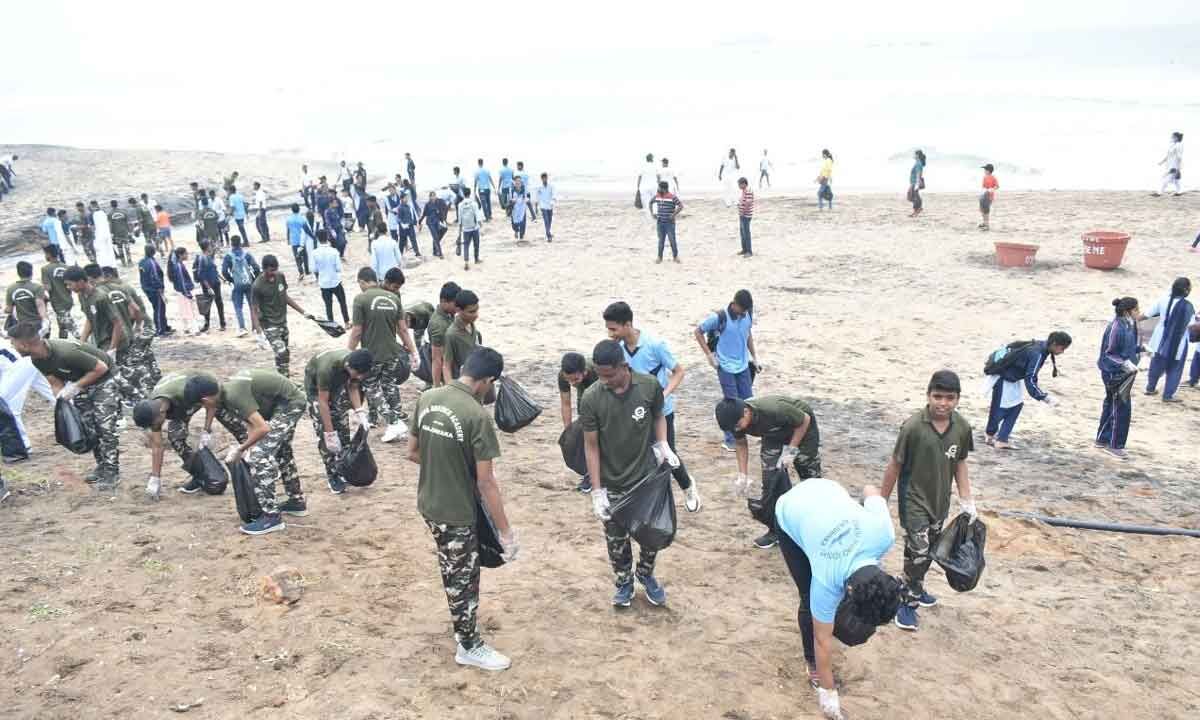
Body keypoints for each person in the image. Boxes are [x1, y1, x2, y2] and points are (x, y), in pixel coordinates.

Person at [407, 346, 517, 671]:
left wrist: (445, 466)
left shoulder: (428, 397)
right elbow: (486, 483)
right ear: (487, 381)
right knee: (463, 576)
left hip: (429, 500)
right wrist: (505, 532)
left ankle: (463, 628)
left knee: (453, 567)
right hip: (455, 510)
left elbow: (413, 452)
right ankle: (469, 644)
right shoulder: (476, 415)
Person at [775, 479, 904, 720]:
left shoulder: (883, 534)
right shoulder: (825, 581)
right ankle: (811, 664)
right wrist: (828, 692)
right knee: (807, 599)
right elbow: (822, 638)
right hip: (791, 510)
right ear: (850, 592)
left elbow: (869, 490)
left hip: (827, 490)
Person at [580, 339, 679, 607]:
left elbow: (658, 415)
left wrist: (662, 444)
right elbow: (590, 446)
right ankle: (623, 582)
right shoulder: (591, 398)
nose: (605, 380)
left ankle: (645, 574)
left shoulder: (648, 386)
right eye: (600, 375)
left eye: (609, 375)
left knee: (652, 532)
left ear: (624, 366)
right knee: (616, 539)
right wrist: (597, 490)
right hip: (612, 480)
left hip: (645, 477)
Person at [880, 370, 976, 631]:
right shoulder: (913, 427)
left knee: (930, 549)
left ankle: (915, 586)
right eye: (937, 396)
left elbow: (960, 463)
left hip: (940, 502)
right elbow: (894, 465)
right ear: (928, 395)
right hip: (914, 502)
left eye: (949, 398)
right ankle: (907, 603)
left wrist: (967, 498)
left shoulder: (962, 427)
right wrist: (881, 502)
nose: (942, 403)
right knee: (919, 552)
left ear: (957, 399)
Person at [603, 301, 700, 511]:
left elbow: (679, 372)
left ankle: (687, 485)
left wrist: (663, 395)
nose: (610, 334)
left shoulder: (655, 345)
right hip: (634, 411)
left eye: (613, 329)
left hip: (661, 412)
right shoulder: (617, 349)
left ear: (627, 324)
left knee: (667, 455)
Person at [186, 370, 307, 535]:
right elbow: (251, 423)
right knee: (280, 451)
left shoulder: (233, 395)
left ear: (206, 400)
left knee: (259, 456)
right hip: (279, 404)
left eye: (201, 405)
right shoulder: (225, 394)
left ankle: (272, 518)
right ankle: (296, 501)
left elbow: (263, 428)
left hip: (290, 402)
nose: (204, 408)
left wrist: (241, 449)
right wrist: (248, 447)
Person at [11, 323, 120, 488]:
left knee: (105, 426)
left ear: (24, 344)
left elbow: (101, 368)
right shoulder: (37, 359)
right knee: (89, 427)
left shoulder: (65, 352)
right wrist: (61, 398)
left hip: (104, 379)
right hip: (82, 381)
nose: (13, 346)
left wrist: (76, 387)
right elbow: (54, 382)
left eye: (14, 343)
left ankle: (112, 473)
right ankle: (102, 466)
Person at [715, 394, 822, 548]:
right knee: (771, 480)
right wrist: (742, 474)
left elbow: (804, 420)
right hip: (773, 433)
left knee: (809, 475)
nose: (736, 430)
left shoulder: (774, 409)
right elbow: (740, 444)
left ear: (746, 412)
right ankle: (777, 530)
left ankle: (818, 526)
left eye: (738, 426)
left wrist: (791, 451)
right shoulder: (735, 420)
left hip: (801, 428)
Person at [131, 370, 247, 499]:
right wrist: (155, 478)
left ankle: (256, 463)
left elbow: (211, 403)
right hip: (181, 407)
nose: (154, 428)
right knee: (176, 437)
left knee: (234, 424)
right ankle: (200, 475)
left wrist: (206, 430)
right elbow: (157, 446)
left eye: (154, 425)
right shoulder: (153, 411)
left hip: (209, 389)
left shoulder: (183, 393)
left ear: (162, 413)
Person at [350, 267, 419, 442]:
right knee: (389, 386)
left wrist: (348, 353)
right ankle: (396, 423)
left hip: (371, 355)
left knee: (372, 388)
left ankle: (394, 422)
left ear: (362, 282)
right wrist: (413, 351)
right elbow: (403, 329)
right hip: (392, 353)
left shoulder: (360, 299)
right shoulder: (394, 298)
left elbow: (357, 331)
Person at [983, 332, 1072, 449]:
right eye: (1063, 348)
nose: (1062, 351)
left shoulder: (1039, 346)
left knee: (1013, 406)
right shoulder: (1038, 354)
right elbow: (1030, 379)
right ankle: (995, 437)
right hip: (1003, 378)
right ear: (1054, 344)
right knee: (1004, 408)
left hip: (1007, 376)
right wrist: (1044, 397)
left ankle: (996, 436)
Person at [695, 290, 758, 450]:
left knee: (748, 400)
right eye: (742, 310)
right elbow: (698, 332)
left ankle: (748, 431)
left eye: (746, 311)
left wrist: (755, 357)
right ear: (734, 304)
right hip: (725, 366)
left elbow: (748, 334)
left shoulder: (747, 315)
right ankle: (730, 440)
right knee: (732, 403)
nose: (744, 314)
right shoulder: (719, 317)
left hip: (743, 365)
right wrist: (709, 356)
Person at [304, 348, 373, 494]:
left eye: (362, 375)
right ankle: (333, 475)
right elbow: (323, 402)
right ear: (349, 367)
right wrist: (329, 433)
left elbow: (353, 386)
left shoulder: (356, 364)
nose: (360, 377)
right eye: (358, 374)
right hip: (316, 390)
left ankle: (344, 467)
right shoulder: (326, 369)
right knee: (325, 434)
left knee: (342, 427)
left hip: (336, 385)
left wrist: (360, 411)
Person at [99, 265, 161, 402]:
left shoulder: (118, 290)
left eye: (101, 278)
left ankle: (144, 393)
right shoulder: (124, 287)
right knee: (147, 357)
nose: (100, 281)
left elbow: (133, 312)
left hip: (141, 328)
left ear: (108, 276)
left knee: (134, 362)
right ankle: (155, 383)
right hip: (148, 325)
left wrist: (134, 327)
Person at [1095, 297, 1144, 459]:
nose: (1139, 312)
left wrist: (1140, 349)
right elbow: (1109, 353)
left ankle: (1102, 439)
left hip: (1122, 371)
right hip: (1113, 372)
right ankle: (1115, 445)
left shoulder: (1128, 324)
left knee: (1111, 403)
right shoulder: (1116, 327)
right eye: (1136, 309)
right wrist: (1125, 364)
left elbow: (1126, 348)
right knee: (1121, 407)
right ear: (1127, 311)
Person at [250, 255, 314, 377]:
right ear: (264, 269)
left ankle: (282, 376)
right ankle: (285, 378)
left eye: (275, 269)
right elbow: (254, 309)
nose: (273, 273)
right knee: (281, 352)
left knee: (284, 353)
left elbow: (285, 296)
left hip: (282, 321)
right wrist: (259, 332)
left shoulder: (280, 276)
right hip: (269, 324)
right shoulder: (257, 286)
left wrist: (303, 312)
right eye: (271, 270)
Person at [0, 346, 55, 461]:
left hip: (19, 364)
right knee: (53, 392)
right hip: (24, 361)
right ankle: (84, 425)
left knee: (6, 405)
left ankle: (22, 446)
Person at [1143, 278, 1194, 403]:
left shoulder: (1162, 300)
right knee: (1175, 367)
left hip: (1159, 339)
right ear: (1186, 290)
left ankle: (1150, 388)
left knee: (1156, 363)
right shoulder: (1187, 306)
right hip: (1178, 342)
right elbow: (1191, 325)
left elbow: (1146, 315)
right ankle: (1168, 395)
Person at [558, 351, 600, 492]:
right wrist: (568, 430)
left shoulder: (596, 372)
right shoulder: (563, 375)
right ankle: (589, 473)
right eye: (569, 380)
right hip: (584, 399)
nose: (571, 383)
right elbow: (565, 403)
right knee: (578, 438)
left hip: (602, 396)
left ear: (585, 372)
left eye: (575, 380)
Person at [221, 236, 261, 337]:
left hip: (237, 284)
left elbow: (224, 271)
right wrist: (254, 278)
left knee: (238, 306)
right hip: (249, 283)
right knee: (252, 305)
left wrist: (231, 279)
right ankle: (255, 327)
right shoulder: (247, 254)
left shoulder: (228, 256)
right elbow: (256, 268)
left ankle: (242, 328)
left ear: (231, 243)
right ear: (240, 243)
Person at [442, 290, 482, 383]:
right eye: (471, 312)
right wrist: (450, 388)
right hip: (462, 383)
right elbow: (446, 366)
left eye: (477, 310)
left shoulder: (471, 324)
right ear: (458, 310)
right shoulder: (451, 334)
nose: (476, 315)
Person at [428, 282, 461, 387]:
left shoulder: (449, 314)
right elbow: (437, 359)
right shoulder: (439, 325)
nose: (458, 308)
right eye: (455, 305)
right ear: (443, 302)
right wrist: (436, 386)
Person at [40, 246, 77, 339]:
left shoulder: (45, 269)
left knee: (71, 326)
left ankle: (84, 341)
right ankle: (62, 342)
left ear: (48, 254)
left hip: (58, 302)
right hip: (68, 300)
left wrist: (39, 291)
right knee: (62, 325)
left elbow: (48, 287)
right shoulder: (66, 267)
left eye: (45, 254)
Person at [312, 230, 348, 325]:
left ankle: (331, 323)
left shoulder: (315, 253)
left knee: (328, 305)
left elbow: (314, 269)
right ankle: (347, 321)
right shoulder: (334, 251)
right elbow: (338, 268)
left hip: (324, 282)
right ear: (327, 237)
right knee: (342, 302)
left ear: (318, 239)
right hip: (335, 280)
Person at [192, 241, 226, 333]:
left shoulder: (208, 256)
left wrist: (222, 279)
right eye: (210, 245)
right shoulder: (203, 258)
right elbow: (201, 275)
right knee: (209, 304)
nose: (212, 247)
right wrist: (208, 287)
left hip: (215, 283)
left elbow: (213, 269)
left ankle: (220, 324)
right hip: (209, 285)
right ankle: (210, 324)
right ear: (207, 247)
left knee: (216, 303)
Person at [137, 245, 171, 337]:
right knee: (159, 309)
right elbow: (155, 277)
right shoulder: (151, 262)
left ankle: (164, 326)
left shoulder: (141, 262)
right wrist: (160, 289)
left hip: (147, 288)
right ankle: (160, 329)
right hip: (155, 290)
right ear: (153, 251)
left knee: (158, 308)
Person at [4, 261, 47, 332]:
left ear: (18, 273)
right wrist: (45, 321)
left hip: (22, 325)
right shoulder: (38, 287)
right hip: (37, 323)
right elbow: (40, 306)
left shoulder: (11, 289)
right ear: (31, 272)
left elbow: (9, 310)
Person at [168, 247, 200, 335]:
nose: (187, 255)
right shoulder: (178, 265)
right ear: (180, 255)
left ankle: (186, 328)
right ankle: (195, 329)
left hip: (180, 291)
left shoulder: (176, 264)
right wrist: (187, 292)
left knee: (183, 310)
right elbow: (181, 280)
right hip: (184, 290)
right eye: (186, 254)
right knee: (190, 310)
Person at [649, 180, 682, 263]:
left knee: (672, 240)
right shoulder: (657, 196)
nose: (658, 189)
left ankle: (675, 257)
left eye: (659, 187)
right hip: (660, 222)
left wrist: (673, 215)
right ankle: (659, 257)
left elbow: (680, 206)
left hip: (669, 223)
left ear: (663, 188)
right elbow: (650, 202)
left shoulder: (672, 197)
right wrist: (652, 213)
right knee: (661, 241)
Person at [458, 188, 483, 270]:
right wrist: (480, 223)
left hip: (466, 229)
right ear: (470, 193)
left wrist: (460, 227)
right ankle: (476, 259)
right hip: (474, 227)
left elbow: (459, 217)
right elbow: (477, 214)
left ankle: (466, 262)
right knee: (476, 244)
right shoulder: (474, 203)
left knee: (466, 245)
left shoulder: (460, 205)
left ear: (463, 194)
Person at [420, 190, 449, 258]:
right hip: (430, 222)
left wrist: (444, 217)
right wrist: (420, 221)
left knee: (444, 230)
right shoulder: (427, 204)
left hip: (437, 221)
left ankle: (434, 250)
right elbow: (424, 214)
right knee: (435, 237)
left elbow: (445, 207)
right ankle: (440, 253)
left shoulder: (439, 201)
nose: (433, 197)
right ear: (429, 197)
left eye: (434, 195)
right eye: (431, 196)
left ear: (436, 196)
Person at [284, 204, 310, 279]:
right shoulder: (303, 218)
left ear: (292, 210)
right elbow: (306, 230)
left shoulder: (288, 219)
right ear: (299, 209)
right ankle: (307, 270)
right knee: (305, 255)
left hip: (294, 240)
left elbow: (288, 230)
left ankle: (301, 272)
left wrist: (288, 239)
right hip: (302, 240)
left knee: (297, 257)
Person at [91, 200, 117, 269]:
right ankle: (112, 265)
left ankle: (105, 266)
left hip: (100, 236)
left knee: (102, 252)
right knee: (109, 251)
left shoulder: (93, 214)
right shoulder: (103, 212)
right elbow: (108, 222)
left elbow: (93, 227)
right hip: (106, 234)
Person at [1155, 132, 1184, 196]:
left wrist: (1179, 168)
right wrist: (1162, 162)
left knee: (1165, 178)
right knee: (1176, 180)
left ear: (1176, 138)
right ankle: (1179, 192)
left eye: (1172, 137)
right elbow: (1168, 155)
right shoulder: (1173, 144)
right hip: (1170, 165)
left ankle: (1159, 192)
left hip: (1174, 166)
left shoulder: (1178, 145)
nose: (1171, 138)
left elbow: (1179, 157)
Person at [107, 199, 133, 266]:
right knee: (127, 248)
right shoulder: (123, 212)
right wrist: (130, 232)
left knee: (120, 248)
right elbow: (128, 223)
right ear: (117, 204)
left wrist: (111, 234)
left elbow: (110, 225)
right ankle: (130, 262)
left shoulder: (110, 214)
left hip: (117, 234)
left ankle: (123, 262)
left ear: (111, 205)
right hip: (125, 233)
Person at [535, 173, 556, 242]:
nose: (544, 179)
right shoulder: (539, 187)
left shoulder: (551, 186)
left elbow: (554, 194)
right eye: (543, 178)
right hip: (543, 205)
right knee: (546, 220)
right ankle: (548, 235)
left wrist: (553, 201)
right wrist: (536, 206)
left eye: (545, 178)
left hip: (550, 205)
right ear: (541, 179)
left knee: (549, 221)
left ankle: (548, 231)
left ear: (547, 178)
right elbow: (537, 196)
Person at [736, 178, 754, 256]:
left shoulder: (748, 191)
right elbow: (743, 202)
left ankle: (749, 251)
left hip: (746, 215)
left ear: (744, 184)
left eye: (739, 184)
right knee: (742, 233)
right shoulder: (744, 191)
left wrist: (742, 212)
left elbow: (748, 203)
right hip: (742, 215)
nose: (738, 186)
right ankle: (744, 249)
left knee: (746, 233)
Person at [979, 164, 999, 230]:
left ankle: (987, 226)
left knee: (986, 211)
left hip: (989, 197)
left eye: (985, 169)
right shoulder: (985, 177)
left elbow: (997, 186)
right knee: (982, 209)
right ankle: (984, 223)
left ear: (988, 171)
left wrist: (991, 189)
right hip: (983, 195)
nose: (984, 170)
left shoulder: (993, 178)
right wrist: (982, 192)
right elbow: (983, 186)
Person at [908, 150, 926, 217]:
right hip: (913, 182)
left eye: (914, 154)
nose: (913, 155)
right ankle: (917, 209)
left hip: (915, 182)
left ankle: (918, 209)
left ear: (917, 155)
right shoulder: (917, 162)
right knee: (912, 196)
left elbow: (919, 173)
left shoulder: (918, 163)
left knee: (912, 196)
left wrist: (917, 184)